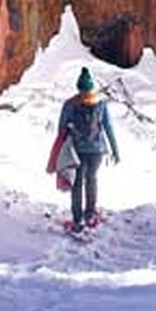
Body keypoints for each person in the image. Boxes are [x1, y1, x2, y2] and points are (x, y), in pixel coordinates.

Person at [58, 67, 120, 232]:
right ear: (91, 87)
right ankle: (90, 214)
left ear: (78, 88)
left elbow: (61, 129)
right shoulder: (100, 103)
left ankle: (78, 220)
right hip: (97, 150)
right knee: (92, 179)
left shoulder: (70, 104)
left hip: (77, 151)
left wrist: (59, 149)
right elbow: (108, 127)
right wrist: (115, 150)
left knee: (77, 184)